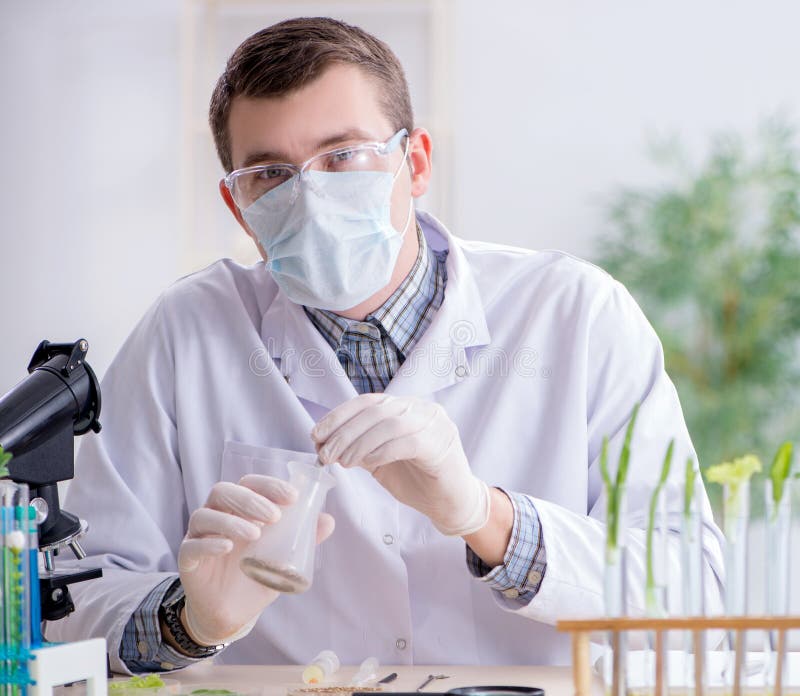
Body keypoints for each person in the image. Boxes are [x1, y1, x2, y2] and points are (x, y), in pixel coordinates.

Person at [47, 17, 724, 673]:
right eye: (271, 174)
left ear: (416, 162)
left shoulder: (577, 313)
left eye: (342, 155)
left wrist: (485, 517)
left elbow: (694, 593)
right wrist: (189, 622)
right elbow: (73, 598)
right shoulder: (187, 331)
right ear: (238, 207)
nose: (310, 195)